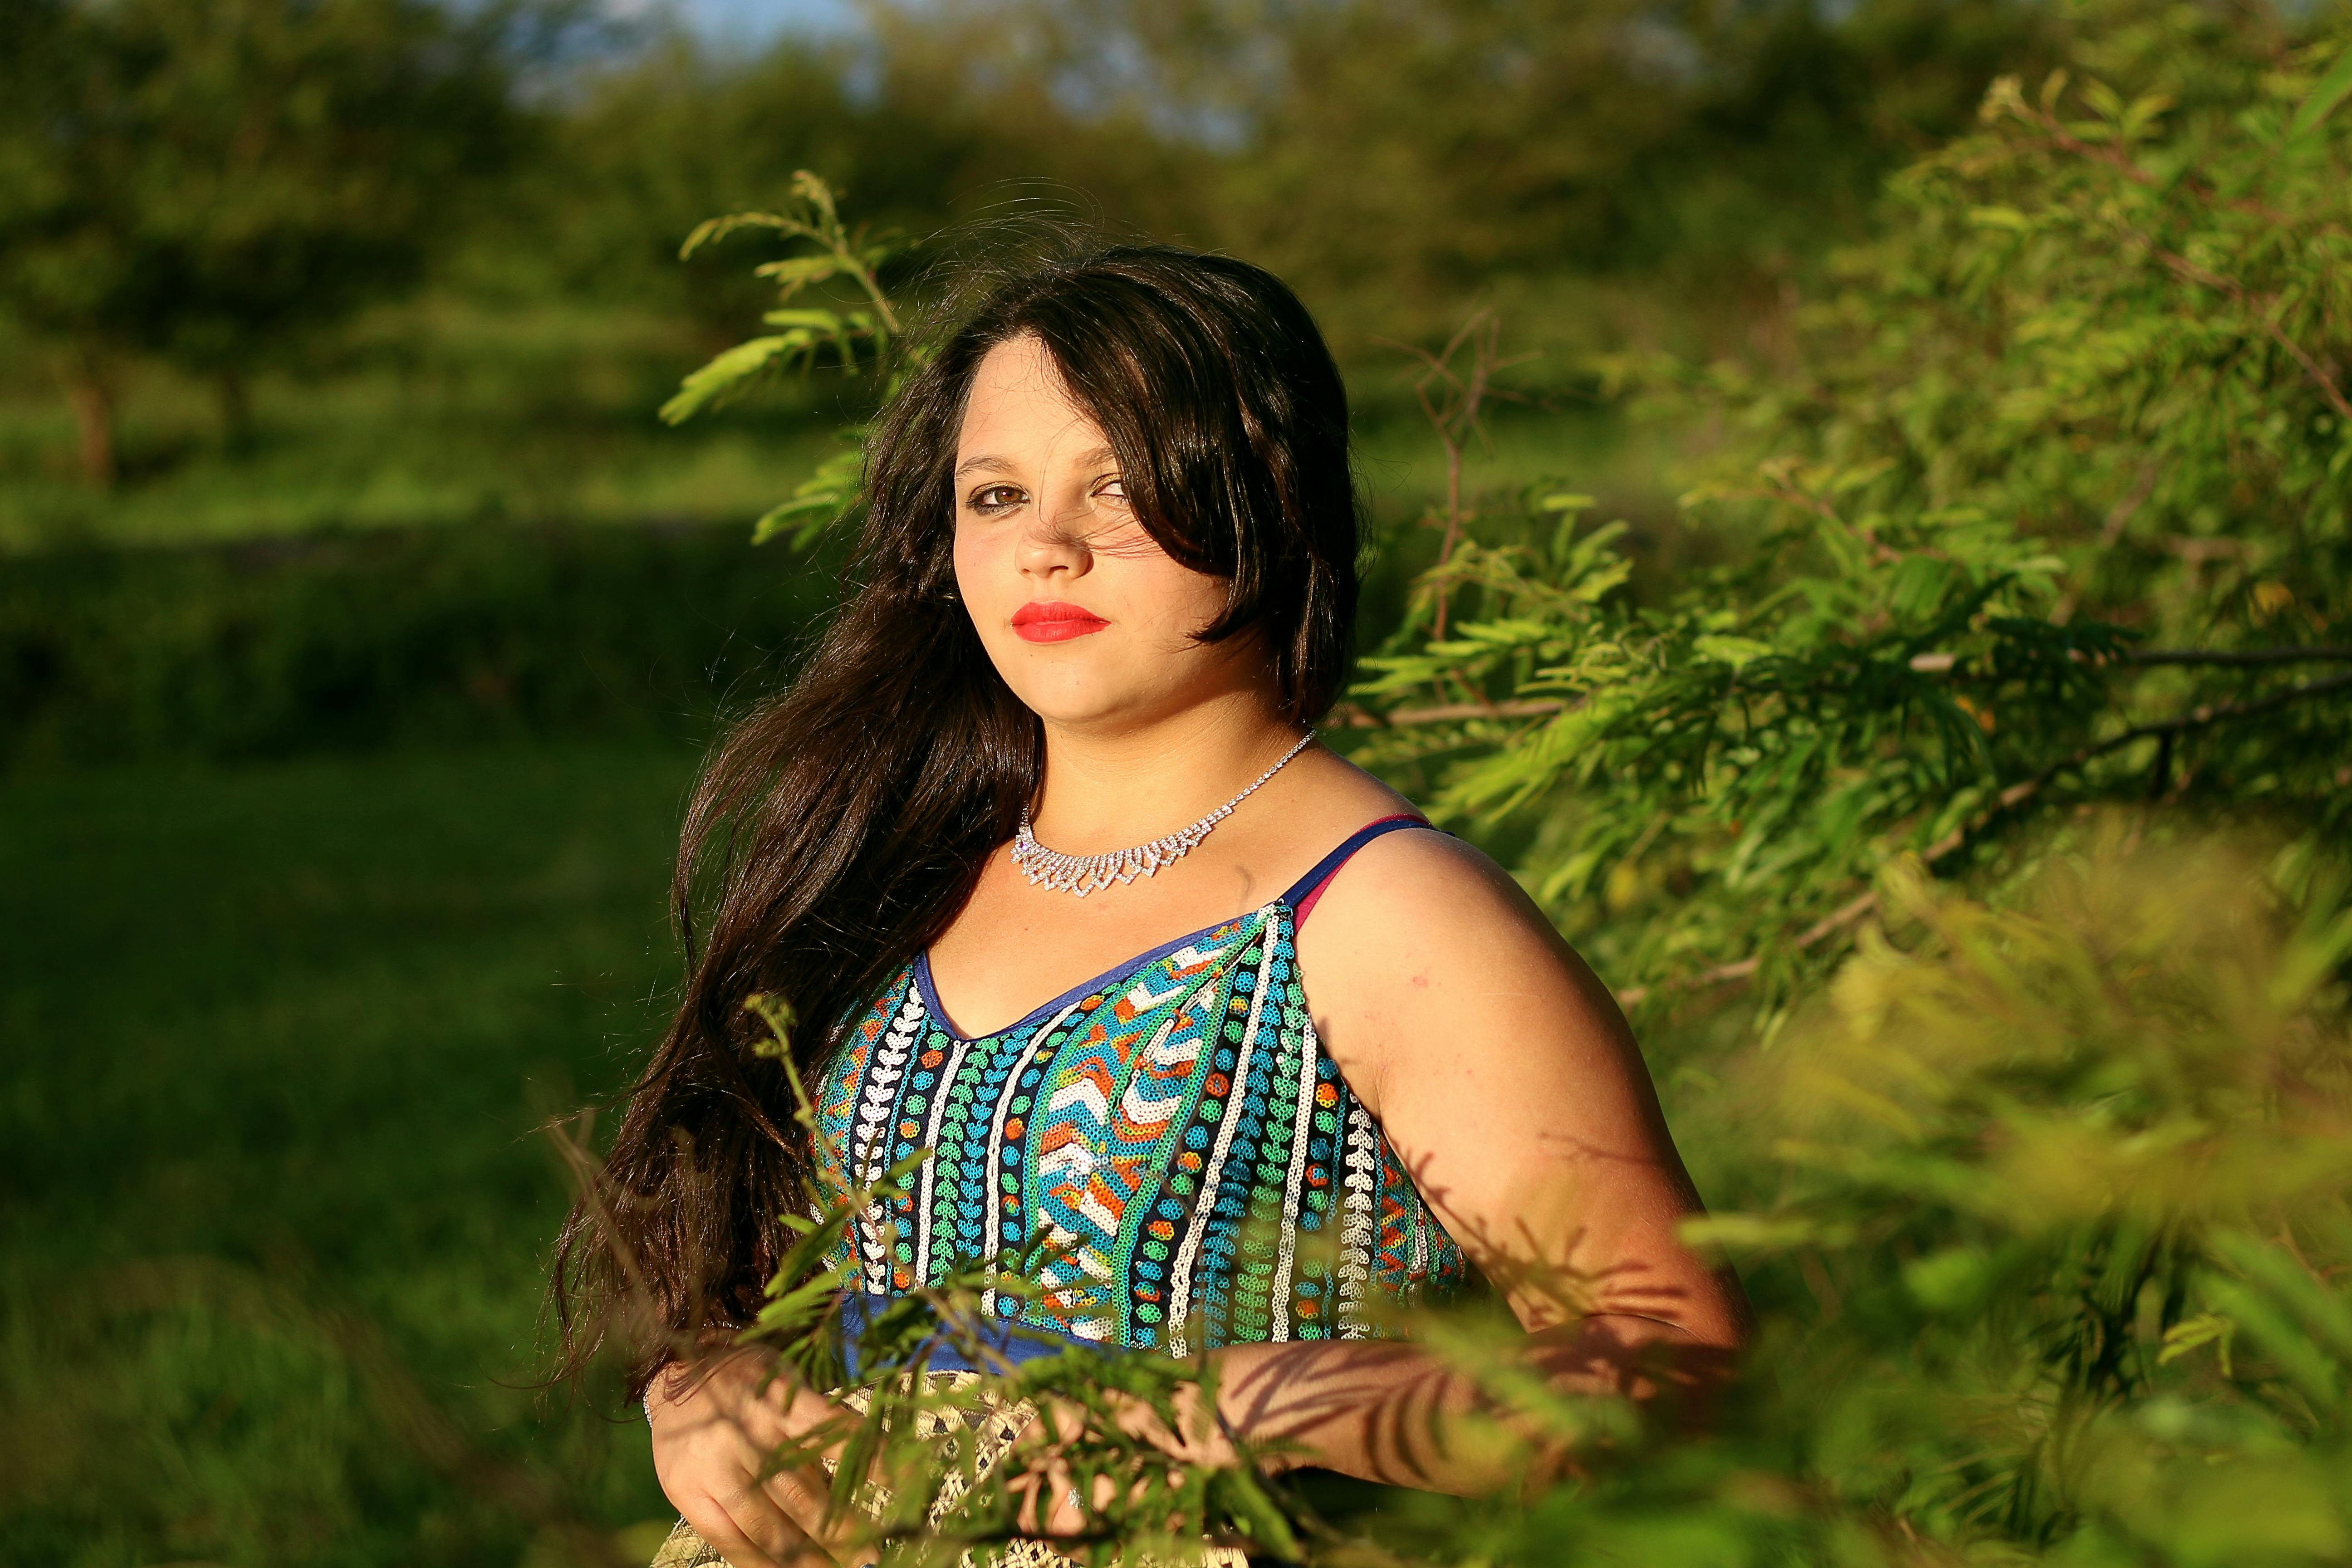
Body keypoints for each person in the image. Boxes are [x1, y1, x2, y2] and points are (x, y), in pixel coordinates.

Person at [552, 244, 1748, 1568]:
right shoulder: (907, 858)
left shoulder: (1391, 918)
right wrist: (697, 1392)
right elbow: (763, 1272)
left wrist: (1234, 1405)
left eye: (1118, 488)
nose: (1045, 549)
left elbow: (1669, 1370)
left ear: (1267, 500)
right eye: (996, 495)